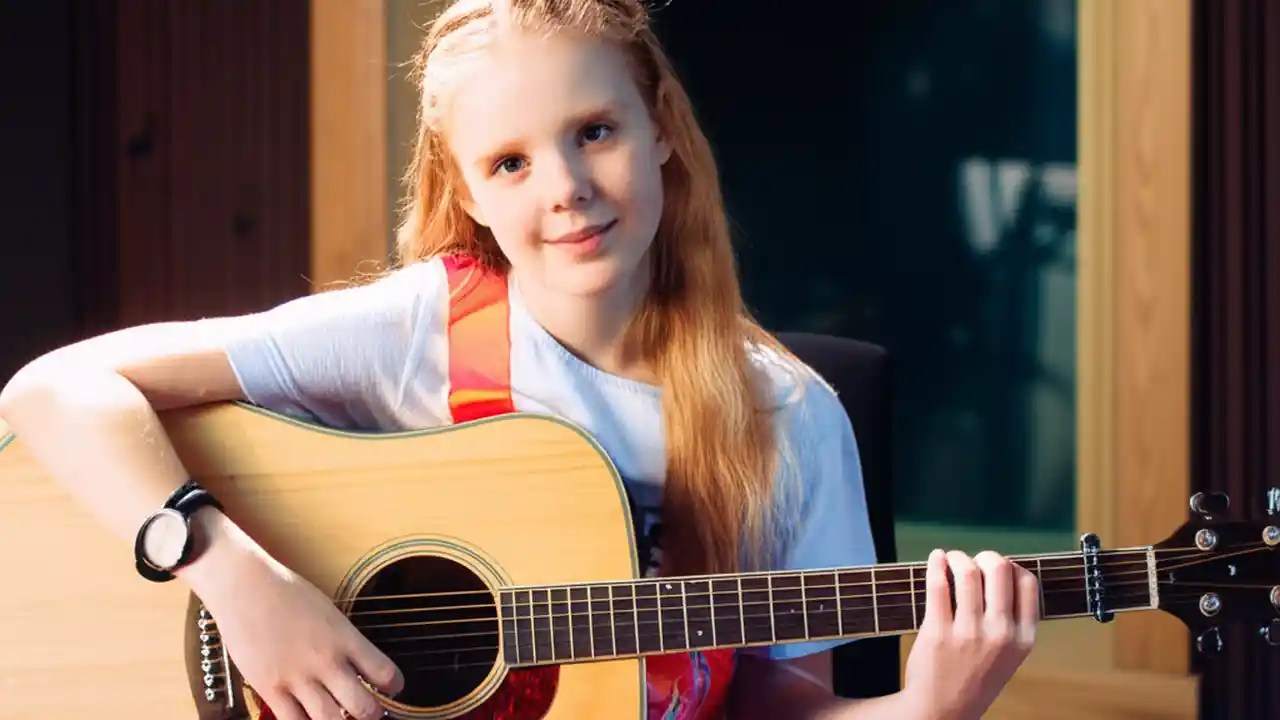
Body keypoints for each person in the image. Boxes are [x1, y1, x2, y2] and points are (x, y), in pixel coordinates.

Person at [0, 1, 1041, 718]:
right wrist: (242, 583)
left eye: (594, 131)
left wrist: (929, 702)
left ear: (661, 128)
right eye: (510, 160)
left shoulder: (787, 420)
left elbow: (772, 701)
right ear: (469, 189)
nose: (565, 188)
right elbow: (54, 391)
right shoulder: (414, 332)